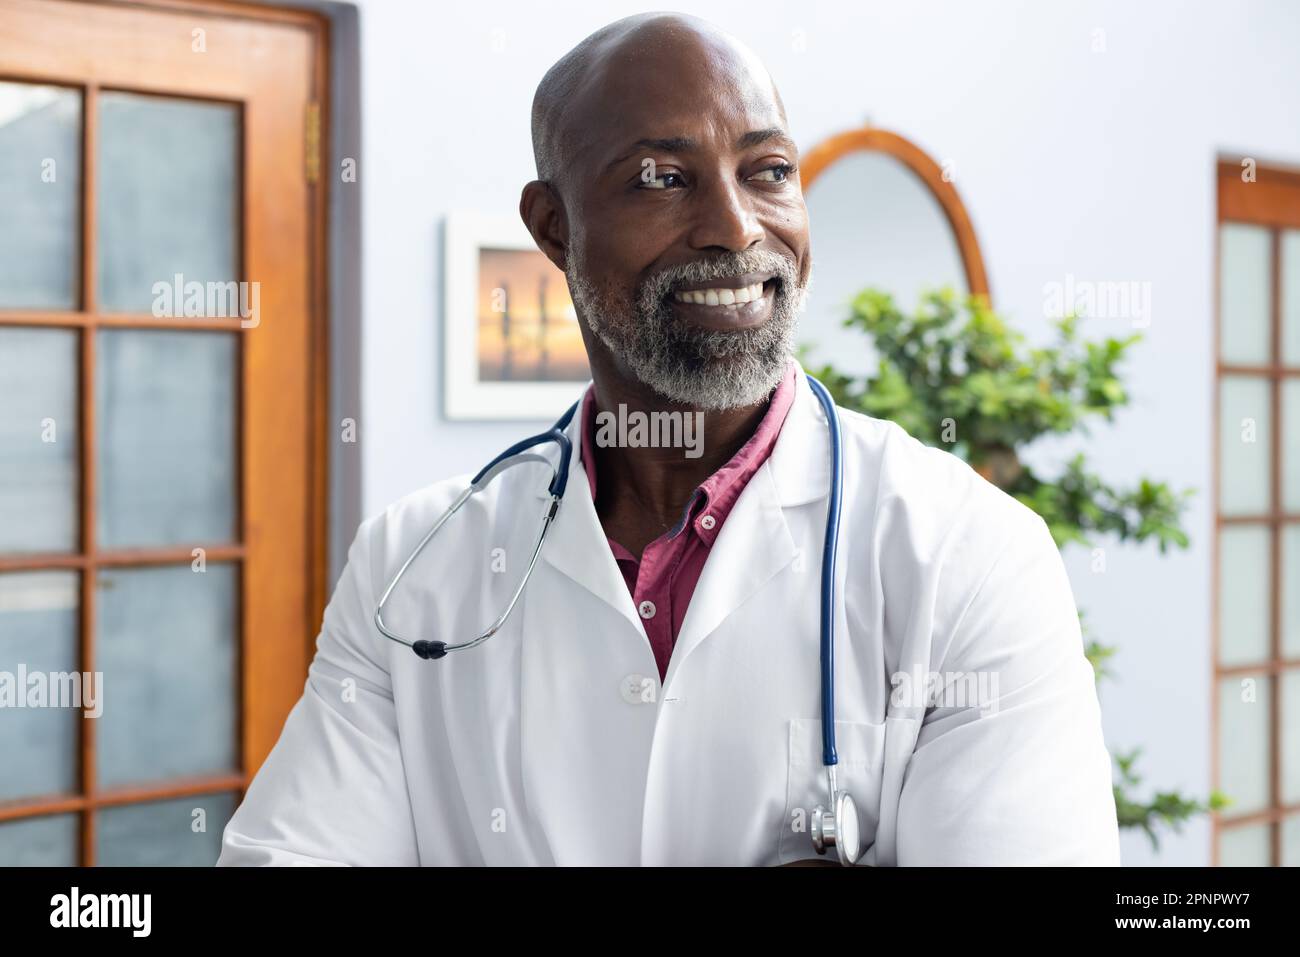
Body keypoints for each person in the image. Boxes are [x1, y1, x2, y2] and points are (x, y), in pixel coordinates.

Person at [218, 12, 1119, 866]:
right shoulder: (414, 564)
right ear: (553, 227)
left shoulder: (969, 553)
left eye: (767, 170)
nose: (735, 230)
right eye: (661, 177)